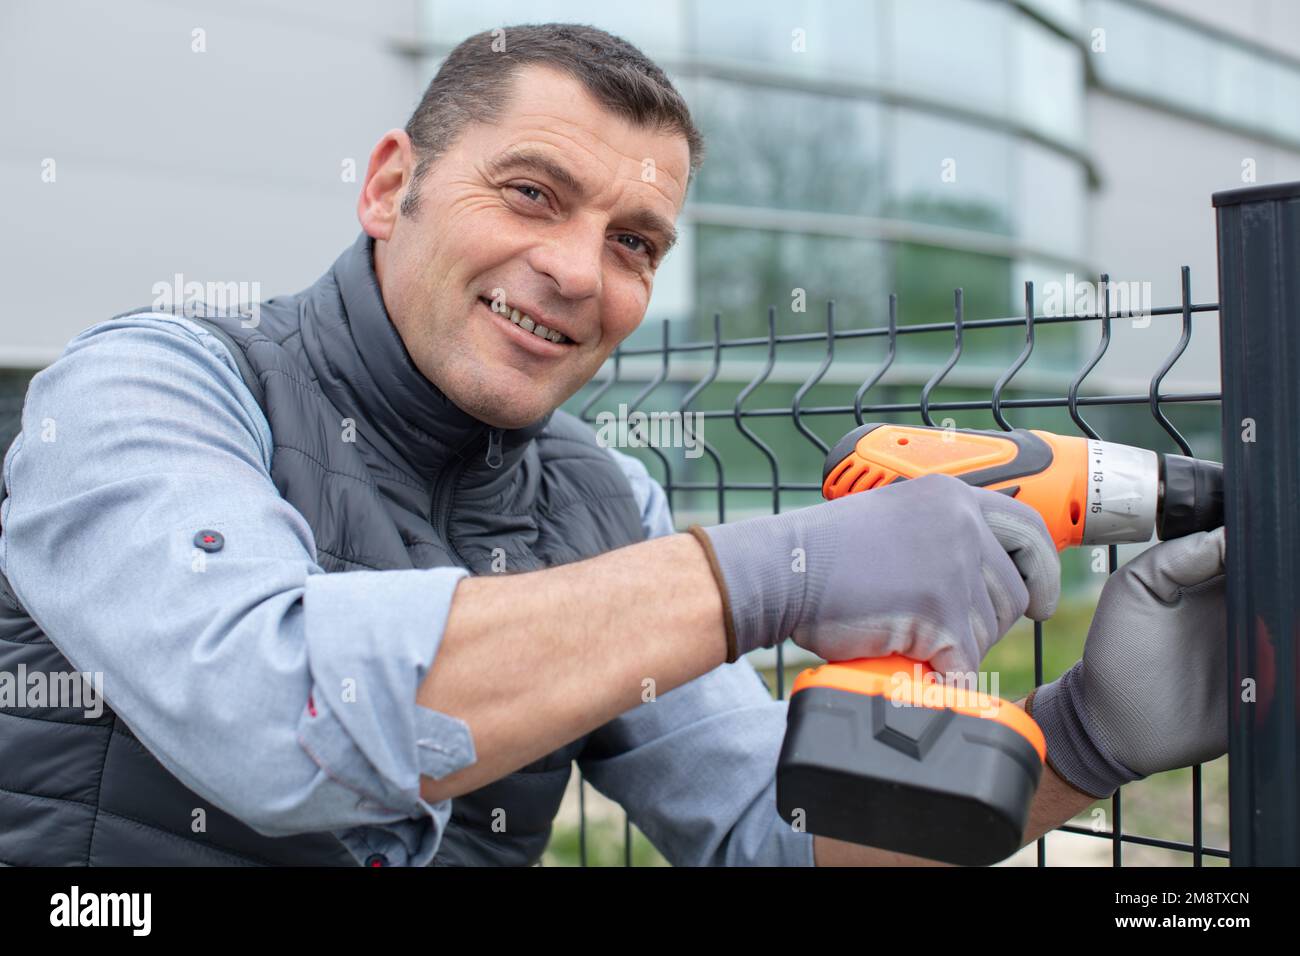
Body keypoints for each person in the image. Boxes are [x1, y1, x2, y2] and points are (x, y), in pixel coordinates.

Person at [0, 23, 1228, 867]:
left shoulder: (604, 500)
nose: (579, 271)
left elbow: (773, 830)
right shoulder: (153, 383)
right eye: (531, 192)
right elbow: (269, 710)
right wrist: (765, 571)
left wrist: (1069, 740)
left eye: (636, 241)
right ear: (388, 187)